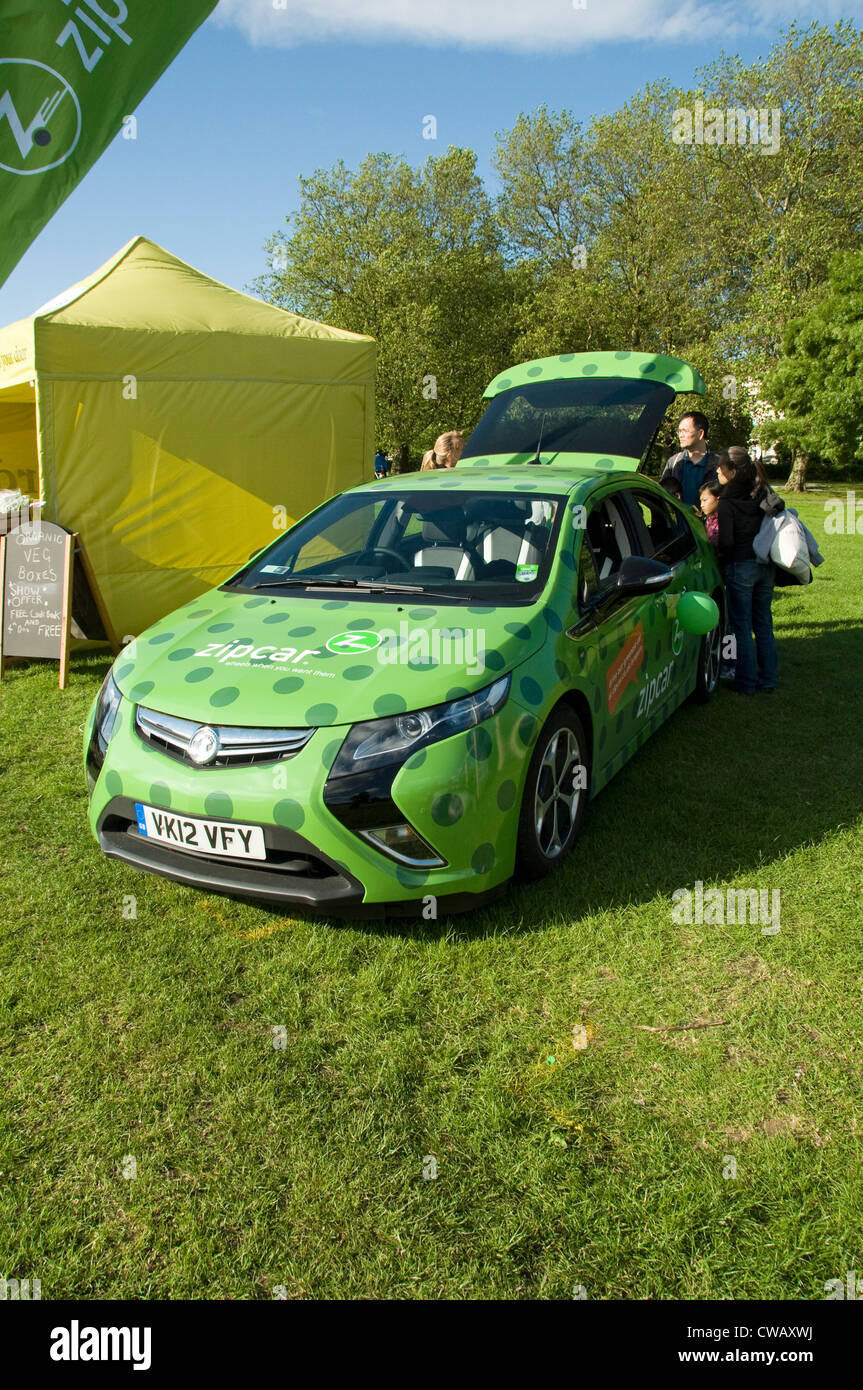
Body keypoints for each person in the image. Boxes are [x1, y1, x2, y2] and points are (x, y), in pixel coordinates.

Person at [716, 450, 778, 696]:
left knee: (741, 625)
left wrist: (720, 555)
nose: (717, 472)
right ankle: (769, 678)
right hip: (765, 563)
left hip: (740, 565)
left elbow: (727, 541)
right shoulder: (762, 492)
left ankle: (746, 681)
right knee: (763, 622)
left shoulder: (727, 500)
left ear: (731, 470)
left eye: (720, 468)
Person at [660, 412, 721, 506]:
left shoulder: (719, 465)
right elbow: (661, 497)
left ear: (700, 433)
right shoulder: (673, 462)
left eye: (685, 431)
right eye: (679, 431)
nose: (681, 435)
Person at [699, 482, 721, 547]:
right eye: (701, 501)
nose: (701, 505)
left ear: (717, 499)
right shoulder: (709, 518)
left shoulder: (723, 519)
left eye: (705, 500)